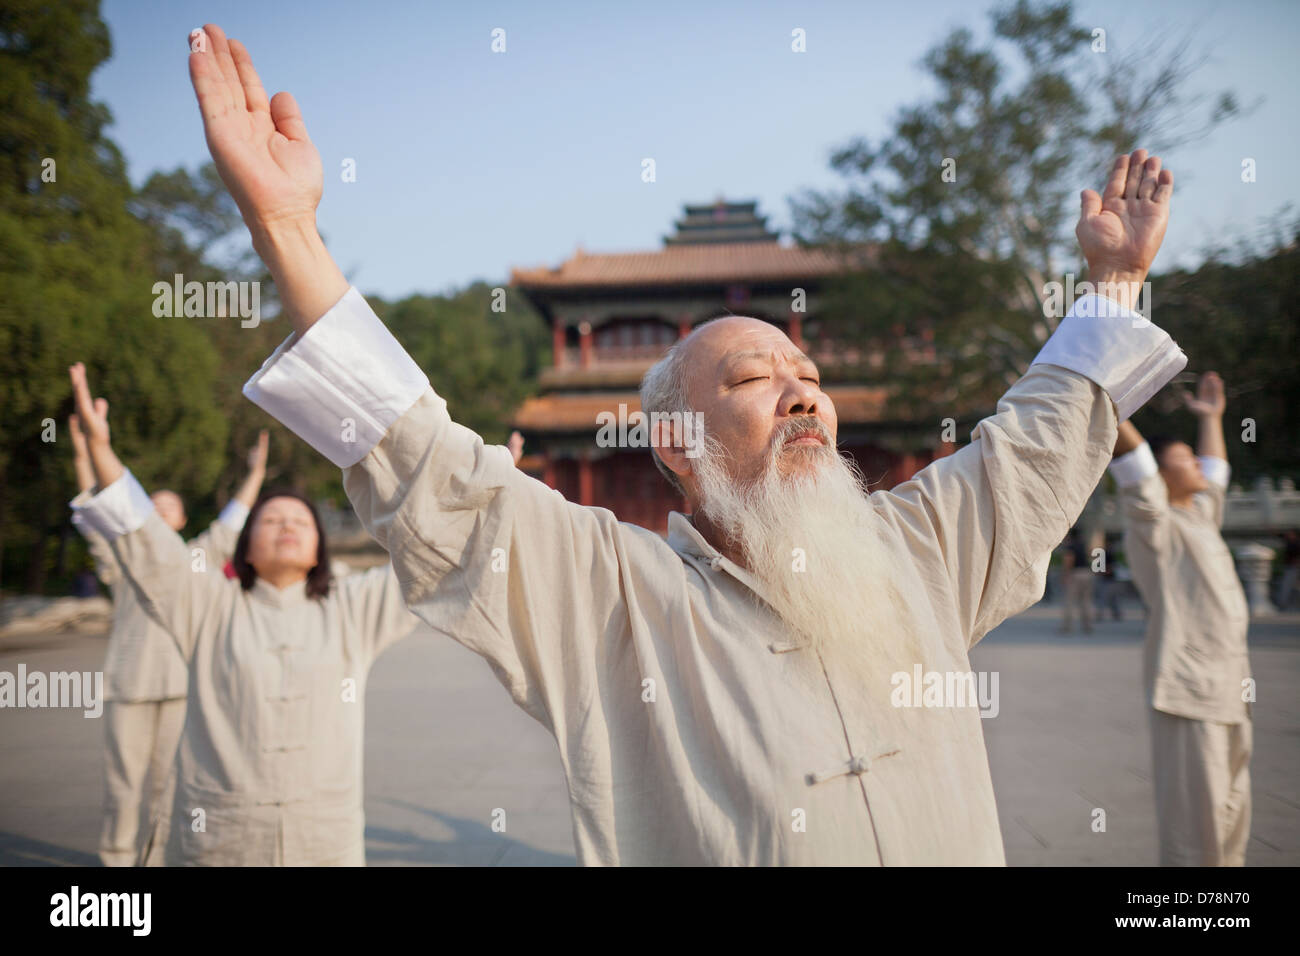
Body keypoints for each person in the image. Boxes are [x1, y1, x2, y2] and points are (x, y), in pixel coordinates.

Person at [188, 24, 1186, 864]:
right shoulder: (616, 598)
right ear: (672, 441)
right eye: (756, 378)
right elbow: (430, 469)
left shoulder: (922, 545)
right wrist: (286, 229)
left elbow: (1036, 443)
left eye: (811, 378)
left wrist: (1110, 288)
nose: (803, 395)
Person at [66, 366, 429, 865]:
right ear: (245, 549)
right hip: (223, 836)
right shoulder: (209, 601)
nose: (287, 526)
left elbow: (424, 556)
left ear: (319, 548)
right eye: (271, 519)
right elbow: (142, 538)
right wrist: (99, 452)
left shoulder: (351, 607)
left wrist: (472, 485)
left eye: (300, 521)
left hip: (323, 838)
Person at [69, 414, 267, 866]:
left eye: (167, 507)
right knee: (122, 785)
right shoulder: (125, 561)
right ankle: (116, 860)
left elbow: (232, 522)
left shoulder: (196, 559)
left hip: (182, 688)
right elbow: (94, 513)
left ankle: (156, 861)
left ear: (179, 519)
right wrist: (83, 453)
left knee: (168, 787)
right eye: (150, 506)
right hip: (129, 687)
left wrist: (256, 472)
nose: (158, 512)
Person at [1109, 371, 1252, 865]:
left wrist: (1211, 419)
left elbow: (1217, 472)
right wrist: (1107, 403)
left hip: (1232, 688)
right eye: (1184, 459)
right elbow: (1135, 466)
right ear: (1163, 475)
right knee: (1198, 828)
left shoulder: (1200, 517)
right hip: (1189, 691)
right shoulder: (1156, 527)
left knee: (1232, 818)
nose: (1197, 465)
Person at [1059, 527, 1095, 635]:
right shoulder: (1085, 545)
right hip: (1087, 573)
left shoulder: (1070, 546)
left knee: (1070, 601)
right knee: (1086, 601)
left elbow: (1069, 560)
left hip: (1075, 574)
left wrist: (1065, 575)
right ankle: (1087, 625)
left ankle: (1067, 626)